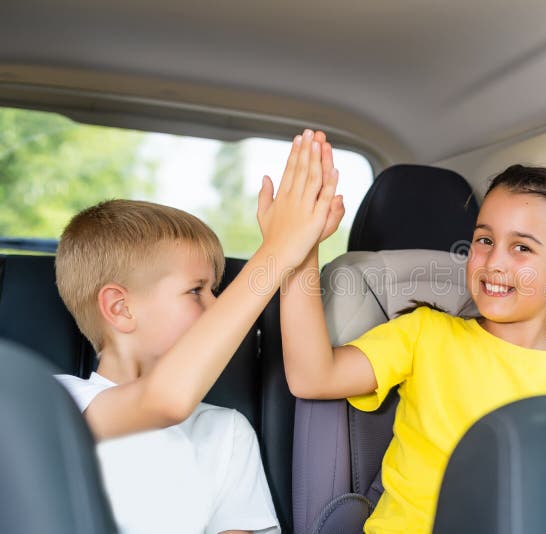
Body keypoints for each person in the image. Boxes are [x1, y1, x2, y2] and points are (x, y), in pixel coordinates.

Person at [281, 163, 546, 533]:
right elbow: (312, 377)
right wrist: (300, 247)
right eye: (484, 240)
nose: (494, 263)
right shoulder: (425, 335)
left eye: (521, 247)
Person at [54, 129, 343, 534]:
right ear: (120, 308)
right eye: (196, 291)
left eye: (216, 290)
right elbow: (165, 401)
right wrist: (276, 252)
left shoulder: (227, 432)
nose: (216, 305)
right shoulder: (57, 401)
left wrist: (301, 250)